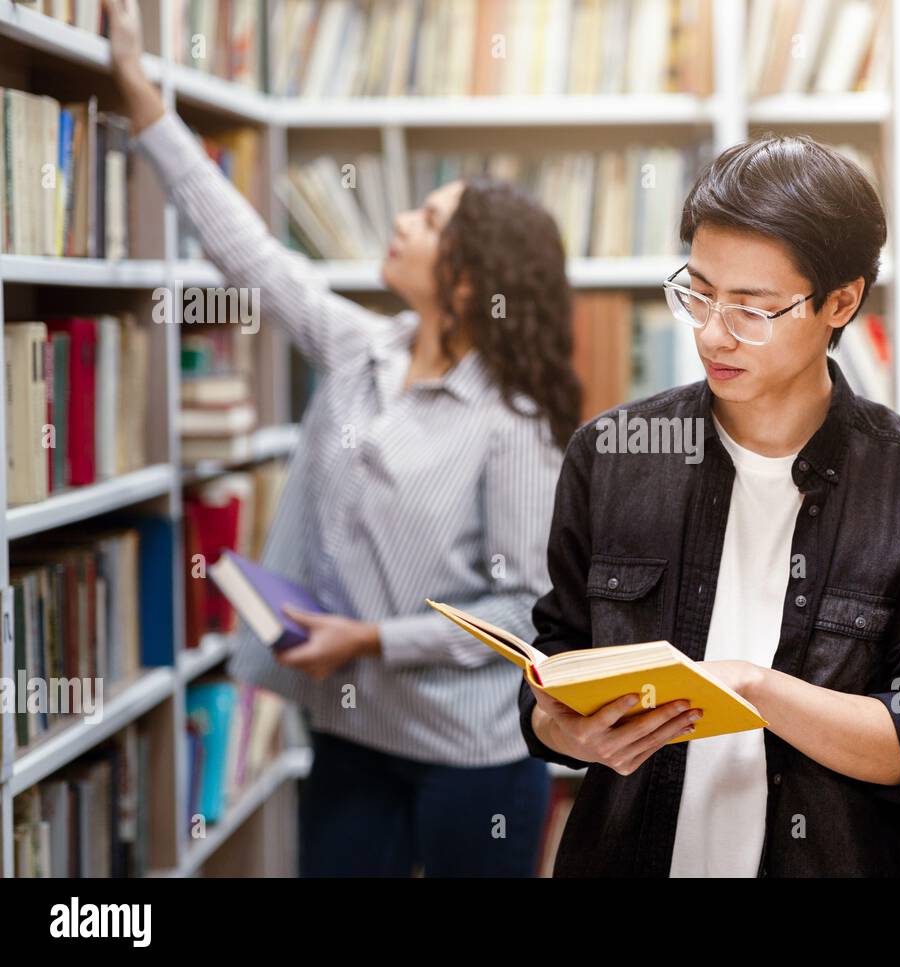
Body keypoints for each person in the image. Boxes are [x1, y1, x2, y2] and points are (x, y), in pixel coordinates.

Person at [106, 0, 579, 876]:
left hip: (469, 756)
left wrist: (370, 641)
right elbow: (248, 255)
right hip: (350, 727)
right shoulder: (360, 344)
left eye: (429, 222)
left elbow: (522, 616)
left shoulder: (509, 421)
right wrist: (139, 93)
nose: (400, 224)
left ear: (471, 286)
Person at [519, 134, 900, 876]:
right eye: (697, 292)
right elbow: (550, 678)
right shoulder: (612, 454)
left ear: (841, 301)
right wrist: (574, 733)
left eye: (752, 309)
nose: (709, 332)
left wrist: (755, 688)